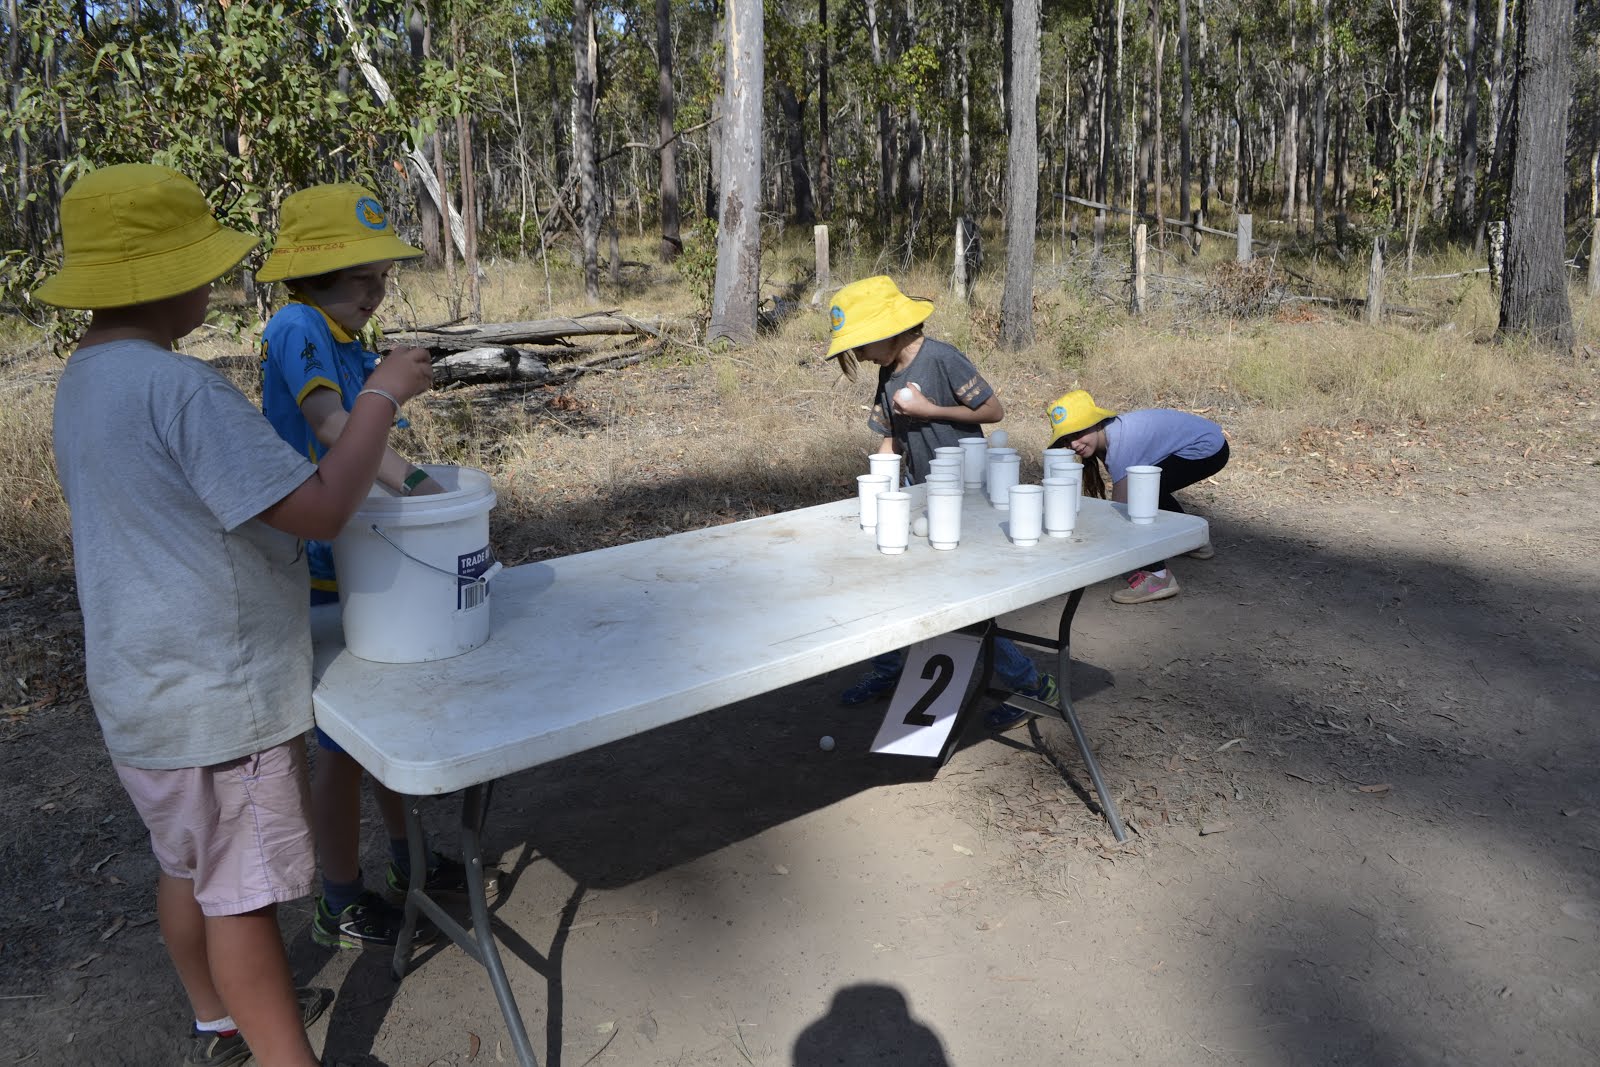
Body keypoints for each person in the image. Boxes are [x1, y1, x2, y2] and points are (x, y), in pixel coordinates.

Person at [42, 163, 434, 1066]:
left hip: (143, 689)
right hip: (218, 701)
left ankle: (216, 1014)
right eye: (203, 266)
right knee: (242, 899)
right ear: (168, 279)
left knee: (186, 864)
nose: (214, 284)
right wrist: (382, 394)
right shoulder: (180, 392)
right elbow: (321, 508)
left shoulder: (84, 380)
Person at [256, 183, 491, 951]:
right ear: (311, 273)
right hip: (320, 562)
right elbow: (333, 426)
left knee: (383, 727)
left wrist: (420, 490)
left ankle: (405, 859)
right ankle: (338, 897)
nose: (375, 287)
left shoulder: (351, 335)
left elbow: (372, 449)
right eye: (358, 274)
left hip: (359, 548)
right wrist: (414, 478)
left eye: (380, 274)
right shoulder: (296, 326)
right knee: (342, 745)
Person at [825, 275, 1059, 731]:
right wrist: (878, 488)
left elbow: (993, 412)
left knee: (963, 603)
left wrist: (932, 412)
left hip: (964, 496)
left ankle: (1031, 684)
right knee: (891, 584)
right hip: (917, 493)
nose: (859, 355)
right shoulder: (887, 372)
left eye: (862, 344)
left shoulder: (942, 358)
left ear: (890, 330)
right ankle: (892, 668)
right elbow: (889, 437)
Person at [1046, 389, 1229, 604]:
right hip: (1208, 441)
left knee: (1138, 502)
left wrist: (1089, 543)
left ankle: (1158, 578)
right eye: (1066, 440)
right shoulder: (1110, 435)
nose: (1074, 445)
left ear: (1095, 423)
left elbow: (1122, 509)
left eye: (1077, 434)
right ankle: (1196, 542)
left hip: (1207, 449)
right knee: (1152, 490)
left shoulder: (1122, 443)